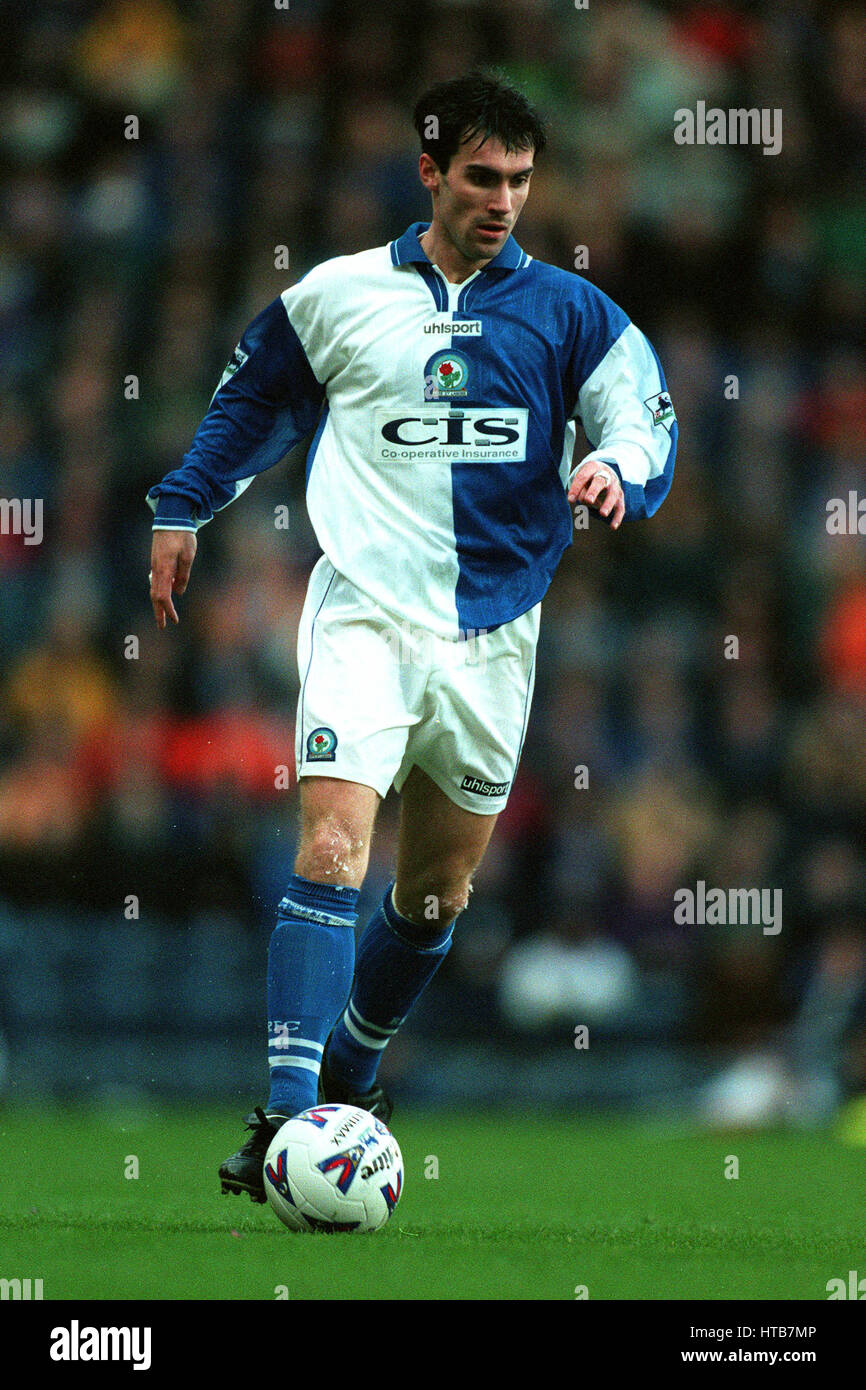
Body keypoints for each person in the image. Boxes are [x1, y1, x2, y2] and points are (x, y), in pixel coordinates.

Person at [147, 70, 677, 1203]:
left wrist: (616, 467)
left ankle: (351, 1072)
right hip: (364, 614)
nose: (502, 200)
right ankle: (288, 1124)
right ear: (428, 170)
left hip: (494, 633)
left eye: (521, 181)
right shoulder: (337, 294)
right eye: (481, 177)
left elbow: (643, 414)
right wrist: (185, 501)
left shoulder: (573, 312)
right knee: (333, 846)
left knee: (435, 896)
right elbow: (257, 399)